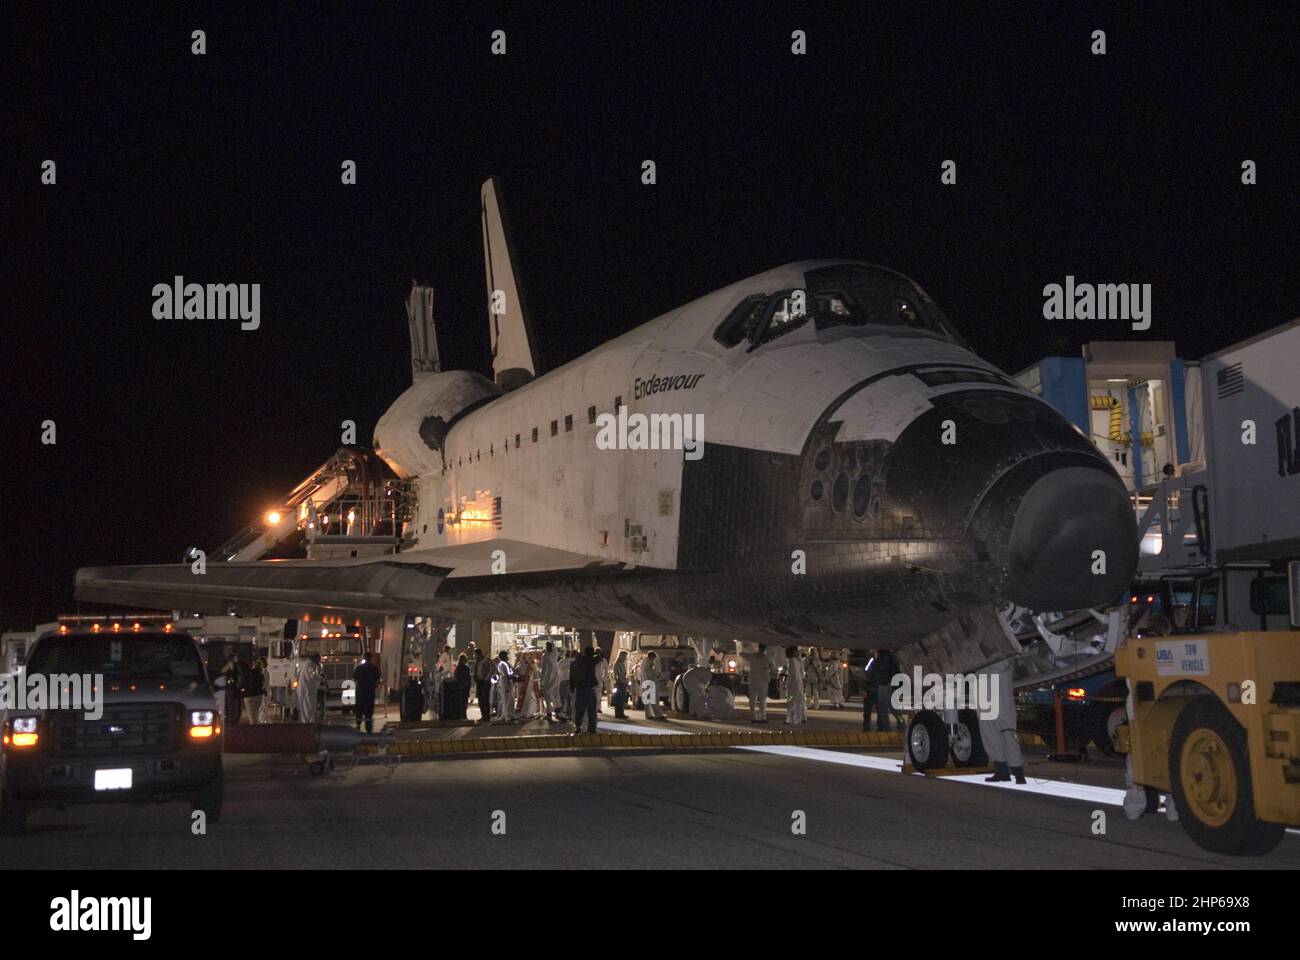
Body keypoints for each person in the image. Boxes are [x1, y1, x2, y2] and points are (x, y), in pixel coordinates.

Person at [980, 656, 1026, 784]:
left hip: (998, 697)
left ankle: (1016, 773)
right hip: (989, 696)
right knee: (993, 737)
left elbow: (998, 667)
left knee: (1006, 736)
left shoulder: (1001, 655)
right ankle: (1004, 772)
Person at [863, 647, 899, 732]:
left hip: (873, 687)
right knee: (879, 710)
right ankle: (879, 726)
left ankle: (868, 726)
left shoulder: (874, 660)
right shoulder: (890, 660)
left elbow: (867, 672)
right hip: (879, 688)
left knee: (870, 710)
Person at [571, 646, 599, 733]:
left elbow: (571, 675)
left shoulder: (576, 662)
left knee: (579, 709)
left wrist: (572, 686)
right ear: (591, 653)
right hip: (589, 688)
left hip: (579, 689)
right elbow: (599, 657)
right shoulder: (591, 660)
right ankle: (592, 728)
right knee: (592, 710)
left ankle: (577, 726)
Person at [353, 651, 382, 733]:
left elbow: (355, 678)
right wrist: (374, 687)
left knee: (359, 708)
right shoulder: (374, 668)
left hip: (360, 691)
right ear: (371, 658)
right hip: (370, 692)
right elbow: (377, 679)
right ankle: (368, 728)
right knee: (369, 709)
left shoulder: (359, 668)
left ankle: (358, 725)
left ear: (364, 658)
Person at [741, 644, 770, 723]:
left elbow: (742, 654)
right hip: (763, 682)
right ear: (765, 648)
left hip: (753, 681)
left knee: (752, 701)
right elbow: (766, 670)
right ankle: (762, 718)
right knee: (762, 701)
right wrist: (768, 680)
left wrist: (753, 653)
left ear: (759, 648)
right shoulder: (766, 658)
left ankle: (753, 717)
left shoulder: (752, 657)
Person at [295, 654, 322, 724]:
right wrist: (321, 679)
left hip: (304, 690)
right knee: (309, 708)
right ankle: (309, 725)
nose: (319, 661)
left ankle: (306, 724)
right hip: (307, 691)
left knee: (305, 708)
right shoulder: (311, 665)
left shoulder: (307, 663)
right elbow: (313, 675)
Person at [784, 646, 806, 724]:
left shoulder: (791, 661)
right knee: (799, 702)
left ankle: (791, 719)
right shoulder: (798, 661)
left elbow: (792, 675)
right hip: (799, 684)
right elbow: (802, 674)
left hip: (793, 685)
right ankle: (798, 719)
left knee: (791, 702)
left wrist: (788, 685)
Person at [640, 651, 666, 718]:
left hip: (645, 682)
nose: (653, 660)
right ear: (651, 657)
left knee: (647, 699)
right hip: (649, 682)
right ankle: (657, 714)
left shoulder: (643, 662)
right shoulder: (648, 662)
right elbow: (650, 672)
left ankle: (649, 714)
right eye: (653, 658)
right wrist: (657, 675)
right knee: (654, 699)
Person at [243, 657, 267, 724]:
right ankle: (256, 726)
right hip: (258, 695)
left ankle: (253, 728)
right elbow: (263, 685)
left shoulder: (249, 673)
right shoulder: (261, 674)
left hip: (249, 696)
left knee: (251, 715)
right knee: (256, 713)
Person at [541, 642, 560, 721]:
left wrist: (541, 681)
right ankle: (557, 709)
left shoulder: (545, 656)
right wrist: (549, 633)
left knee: (547, 693)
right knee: (555, 693)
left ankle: (550, 711)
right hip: (555, 676)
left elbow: (544, 670)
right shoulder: (554, 654)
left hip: (548, 678)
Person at [494, 651, 516, 723]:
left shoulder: (505, 663)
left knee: (510, 700)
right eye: (506, 655)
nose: (508, 656)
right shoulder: (503, 664)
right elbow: (507, 675)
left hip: (506, 683)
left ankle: (509, 715)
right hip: (505, 683)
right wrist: (514, 673)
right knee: (506, 700)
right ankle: (507, 716)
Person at [474, 649, 494, 722]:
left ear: (479, 654)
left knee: (485, 699)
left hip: (485, 682)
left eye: (475, 654)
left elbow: (493, 668)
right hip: (479, 681)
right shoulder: (477, 661)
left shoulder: (486, 660)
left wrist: (487, 678)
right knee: (481, 699)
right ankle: (483, 715)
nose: (474, 656)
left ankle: (486, 716)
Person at [451, 654, 472, 721]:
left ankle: (461, 715)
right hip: (464, 687)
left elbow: (456, 677)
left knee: (461, 702)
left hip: (461, 687)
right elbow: (467, 678)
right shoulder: (465, 668)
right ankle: (463, 715)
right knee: (463, 702)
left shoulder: (458, 668)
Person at [612, 650, 630, 719]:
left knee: (621, 699)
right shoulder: (618, 664)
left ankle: (620, 713)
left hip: (622, 682)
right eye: (625, 656)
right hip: (620, 683)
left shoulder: (621, 663)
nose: (625, 658)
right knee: (619, 699)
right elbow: (618, 675)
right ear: (621, 656)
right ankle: (619, 714)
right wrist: (621, 680)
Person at [593, 650, 608, 714]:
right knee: (598, 694)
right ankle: (597, 708)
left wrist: (603, 679)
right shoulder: (602, 660)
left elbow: (606, 670)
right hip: (598, 679)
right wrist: (603, 679)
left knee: (597, 694)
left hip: (596, 679)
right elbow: (606, 670)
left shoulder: (594, 658)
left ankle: (597, 707)